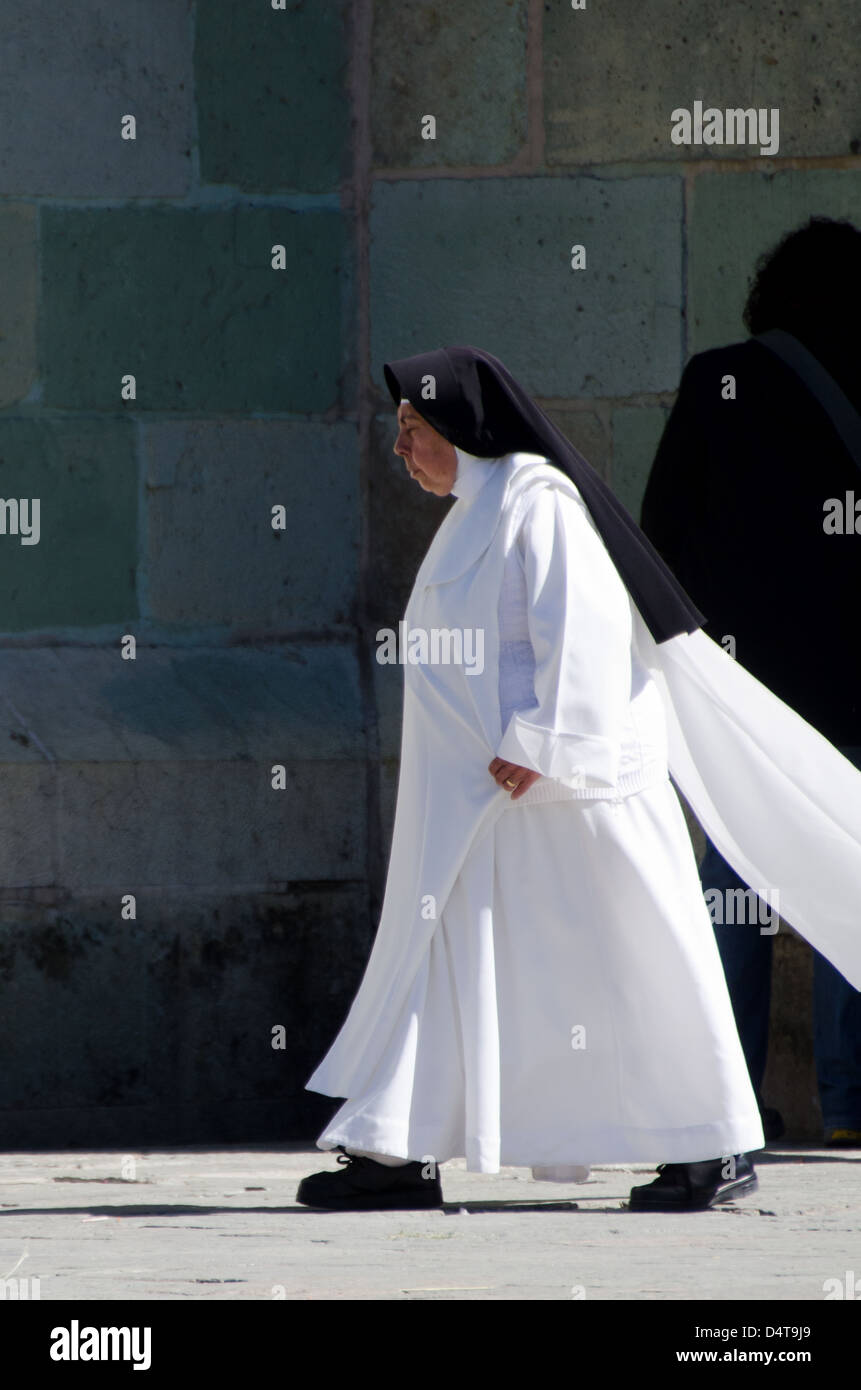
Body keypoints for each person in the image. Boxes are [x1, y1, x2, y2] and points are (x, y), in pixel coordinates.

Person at [298, 346, 861, 1213]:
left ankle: (712, 1148)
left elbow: (587, 627)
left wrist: (542, 737)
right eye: (399, 434)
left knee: (644, 958)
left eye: (414, 430)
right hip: (487, 805)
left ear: (460, 426)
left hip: (574, 790)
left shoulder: (537, 499)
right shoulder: (473, 510)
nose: (402, 450)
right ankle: (395, 1146)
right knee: (444, 952)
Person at [640, 217, 861, 1146]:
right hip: (851, 680)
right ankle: (852, 1105)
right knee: (852, 880)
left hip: (749, 691)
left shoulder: (715, 382)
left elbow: (660, 535)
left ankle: (727, 1102)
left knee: (735, 884)